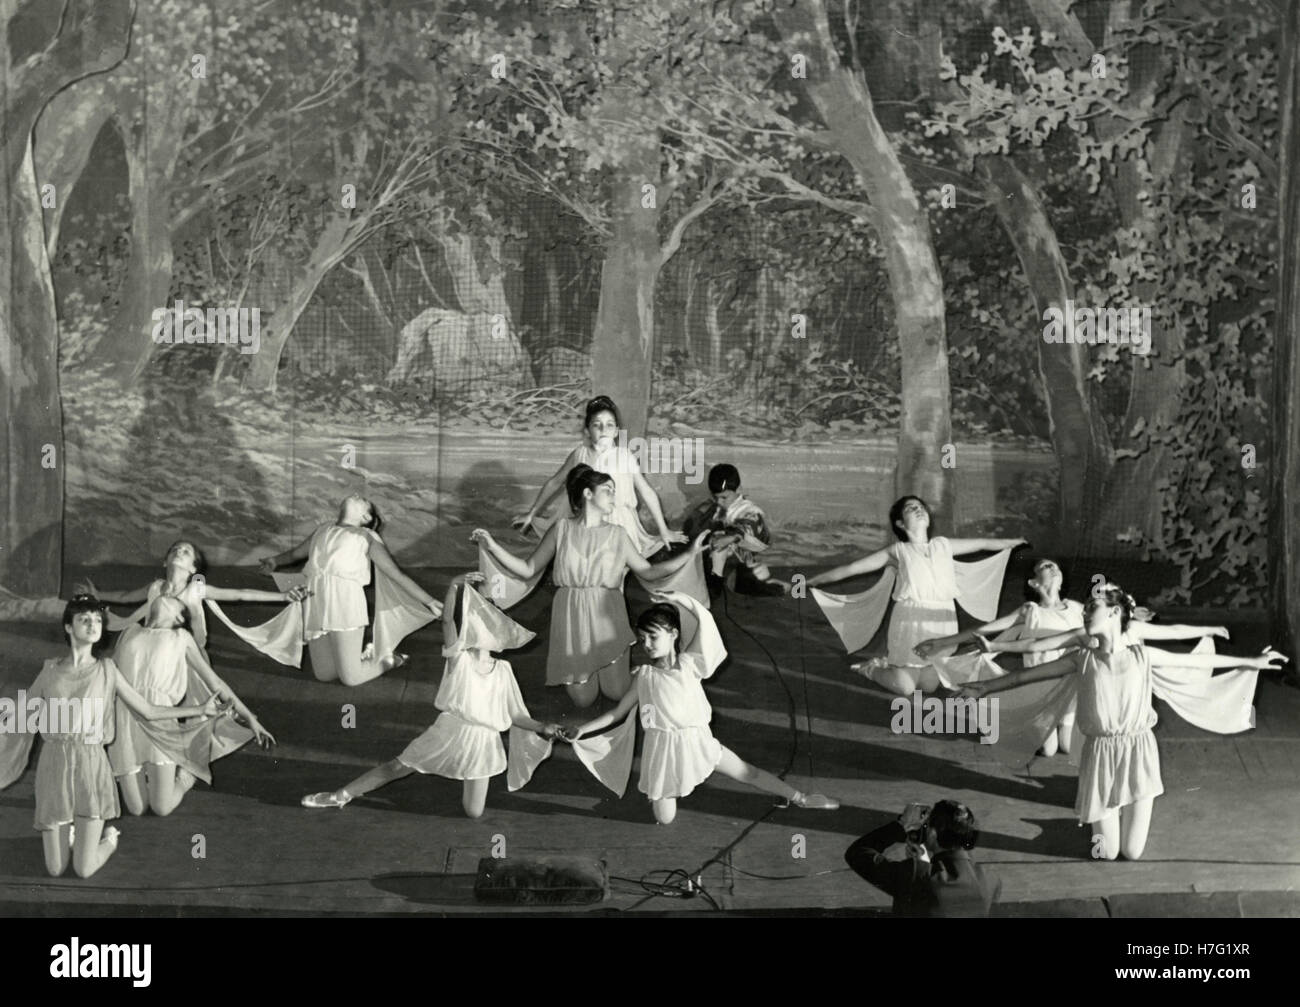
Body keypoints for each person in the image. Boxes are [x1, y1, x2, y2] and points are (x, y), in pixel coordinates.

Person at [960, 585, 1287, 860]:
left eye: (1093, 607)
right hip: (1101, 755)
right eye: (1086, 608)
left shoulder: (1142, 655)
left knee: (1131, 853)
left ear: (1115, 614)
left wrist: (1252, 661)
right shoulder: (1081, 657)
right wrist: (985, 687)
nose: (1086, 612)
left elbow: (1200, 659)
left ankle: (1123, 809)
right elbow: (1025, 675)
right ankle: (1103, 816)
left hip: (1138, 752)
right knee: (1105, 852)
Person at [560, 590, 840, 823]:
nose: (647, 644)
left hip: (699, 743)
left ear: (673, 634)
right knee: (665, 819)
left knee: (747, 772)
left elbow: (706, 626)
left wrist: (681, 598)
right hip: (664, 752)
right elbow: (617, 712)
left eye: (653, 637)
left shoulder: (689, 664)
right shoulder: (644, 676)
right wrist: (581, 731)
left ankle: (800, 798)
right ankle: (666, 793)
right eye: (643, 638)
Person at [0, 596, 226, 878]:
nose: (93, 624)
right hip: (53, 766)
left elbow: (148, 710)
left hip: (91, 766)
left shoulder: (108, 670)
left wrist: (200, 708)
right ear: (69, 627)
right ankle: (74, 833)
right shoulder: (49, 670)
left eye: (97, 619)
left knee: (83, 870)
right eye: (84, 619)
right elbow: (22, 712)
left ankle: (109, 840)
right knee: (55, 869)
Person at [301, 574, 561, 818]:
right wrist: (454, 586)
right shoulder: (459, 658)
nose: (483, 631)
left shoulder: (503, 670)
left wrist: (542, 726)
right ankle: (340, 795)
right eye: (476, 623)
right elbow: (448, 621)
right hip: (449, 731)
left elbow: (516, 714)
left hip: (484, 743)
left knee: (474, 813)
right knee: (396, 767)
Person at [915, 558, 1230, 756]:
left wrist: (1134, 616)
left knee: (1067, 747)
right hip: (1040, 683)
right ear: (1034, 583)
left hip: (1072, 683)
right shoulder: (1030, 610)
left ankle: (1050, 728)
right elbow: (987, 630)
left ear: (1061, 580)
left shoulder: (1081, 609)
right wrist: (944, 641)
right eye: (1043, 568)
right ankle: (1019, 722)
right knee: (1048, 750)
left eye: (1054, 566)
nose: (1051, 568)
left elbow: (1110, 622)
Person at [473, 465, 710, 708]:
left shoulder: (618, 534)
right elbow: (528, 569)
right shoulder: (561, 529)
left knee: (618, 693)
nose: (613, 497)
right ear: (587, 493)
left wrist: (689, 554)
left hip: (607, 614)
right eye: (608, 490)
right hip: (570, 614)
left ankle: (657, 680)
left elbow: (648, 572)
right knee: (584, 700)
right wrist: (492, 545)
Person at [806, 495, 1024, 695]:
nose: (919, 510)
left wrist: (1014, 542)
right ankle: (870, 669)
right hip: (909, 622)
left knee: (929, 686)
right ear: (900, 523)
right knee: (905, 688)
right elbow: (852, 568)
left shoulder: (943, 545)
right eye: (911, 508)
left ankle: (890, 665)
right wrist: (812, 581)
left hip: (942, 621)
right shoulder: (897, 551)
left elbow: (984, 543)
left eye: (921, 507)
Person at [109, 595, 275, 817]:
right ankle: (154, 774)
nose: (166, 597)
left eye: (174, 600)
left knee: (161, 808)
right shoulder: (130, 631)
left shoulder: (181, 637)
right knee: (137, 809)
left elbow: (215, 683)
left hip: (162, 719)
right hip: (126, 716)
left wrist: (250, 718)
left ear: (178, 617)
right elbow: (109, 677)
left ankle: (185, 777)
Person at [258, 494, 442, 686]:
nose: (358, 496)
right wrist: (274, 561)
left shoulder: (366, 537)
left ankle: (390, 659)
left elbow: (396, 574)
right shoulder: (323, 530)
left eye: (364, 501)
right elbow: (296, 553)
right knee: (325, 674)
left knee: (351, 679)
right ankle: (365, 656)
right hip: (315, 602)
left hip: (345, 603)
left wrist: (430, 601)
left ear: (366, 518)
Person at [513, 395, 686, 554]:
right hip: (584, 521)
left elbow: (646, 491)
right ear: (588, 430)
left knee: (613, 573)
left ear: (617, 431)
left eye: (610, 425)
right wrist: (532, 512)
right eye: (597, 424)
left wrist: (664, 530)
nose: (604, 429)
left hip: (618, 522)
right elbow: (554, 482)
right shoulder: (579, 454)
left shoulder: (624, 456)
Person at [77, 539, 309, 653]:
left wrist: (282, 597)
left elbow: (241, 594)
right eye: (175, 550)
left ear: (193, 569)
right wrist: (99, 595)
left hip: (185, 650)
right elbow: (127, 596)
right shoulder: (155, 587)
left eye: (186, 552)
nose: (179, 551)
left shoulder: (195, 589)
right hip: (154, 644)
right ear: (165, 561)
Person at [845, 800, 998, 917]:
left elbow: (856, 852)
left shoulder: (916, 875)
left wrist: (902, 825)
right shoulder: (991, 880)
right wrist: (926, 865)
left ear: (933, 834)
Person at [676, 463, 786, 597]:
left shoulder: (749, 510)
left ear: (738, 489)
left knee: (752, 581)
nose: (719, 502)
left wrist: (730, 537)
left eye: (724, 497)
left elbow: (749, 527)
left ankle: (717, 584)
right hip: (715, 560)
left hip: (743, 561)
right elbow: (693, 526)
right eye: (715, 497)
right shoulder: (711, 507)